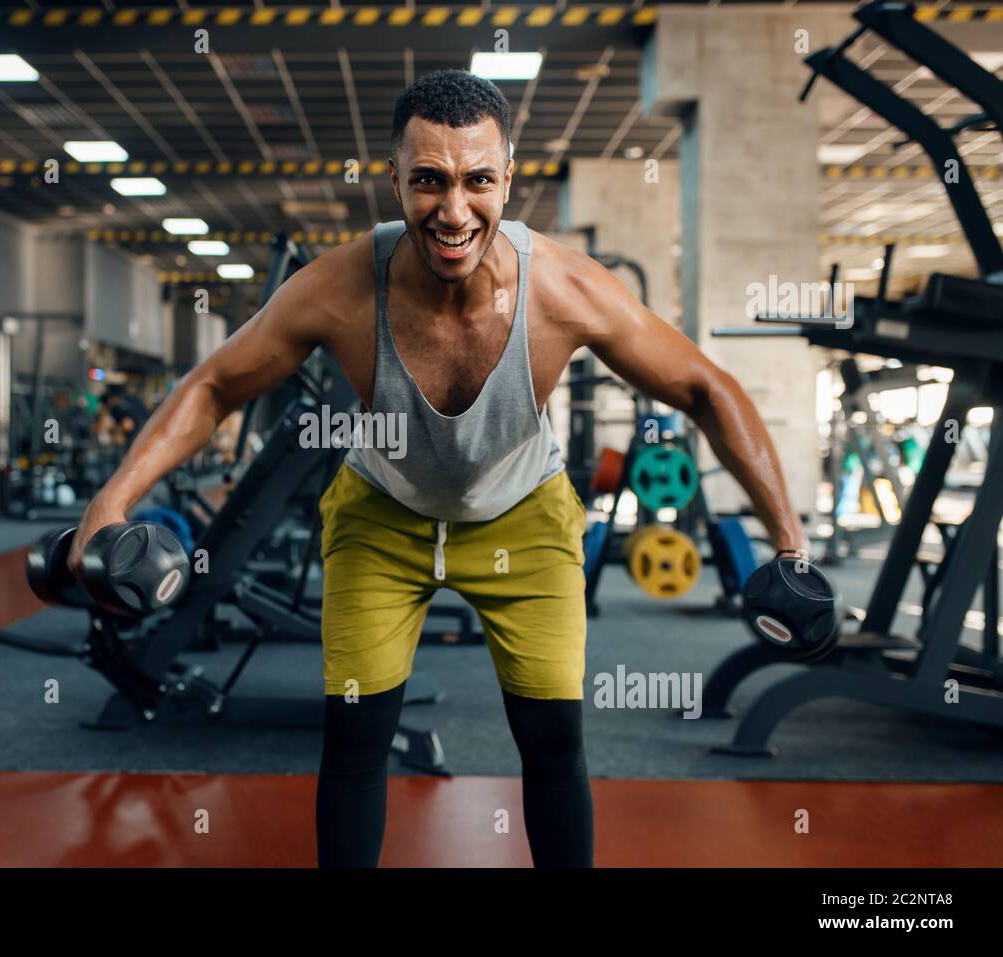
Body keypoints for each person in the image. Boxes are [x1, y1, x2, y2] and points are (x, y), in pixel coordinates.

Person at [68, 69, 807, 868]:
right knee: (354, 738)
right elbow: (212, 384)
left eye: (478, 181)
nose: (454, 212)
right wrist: (107, 508)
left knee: (555, 740)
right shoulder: (339, 290)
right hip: (380, 515)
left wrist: (791, 548)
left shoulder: (564, 290)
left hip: (526, 514)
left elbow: (707, 386)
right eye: (429, 181)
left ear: (507, 179)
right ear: (394, 180)